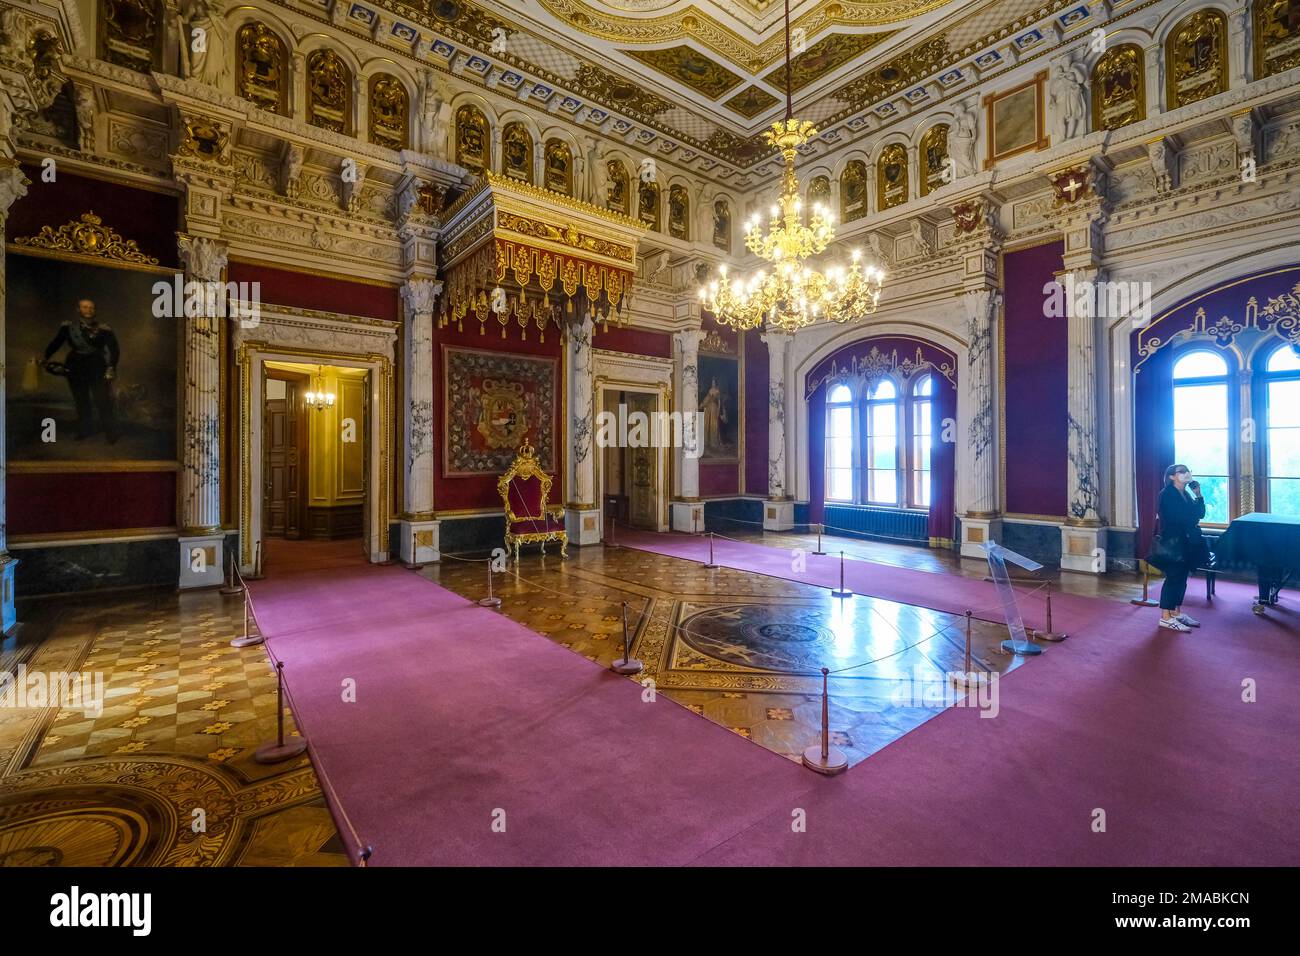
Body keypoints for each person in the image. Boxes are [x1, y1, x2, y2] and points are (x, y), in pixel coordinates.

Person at [43, 298, 120, 443]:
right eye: (85, 307)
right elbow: (56, 343)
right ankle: (85, 430)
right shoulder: (68, 327)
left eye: (91, 307)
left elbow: (114, 350)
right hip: (75, 366)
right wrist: (45, 356)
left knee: (102, 400)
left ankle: (111, 433)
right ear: (78, 310)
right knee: (81, 401)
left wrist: (111, 367)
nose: (88, 310)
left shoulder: (105, 329)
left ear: (95, 310)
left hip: (97, 366)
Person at [1154, 463, 1207, 632]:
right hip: (1174, 541)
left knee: (1182, 577)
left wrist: (1198, 495)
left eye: (1187, 470)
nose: (1186, 473)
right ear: (1171, 476)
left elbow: (1200, 514)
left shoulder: (1186, 494)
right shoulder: (1167, 494)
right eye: (1181, 471)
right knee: (1173, 577)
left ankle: (1176, 612)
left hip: (1188, 540)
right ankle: (1165, 616)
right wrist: (1192, 519)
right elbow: (1180, 517)